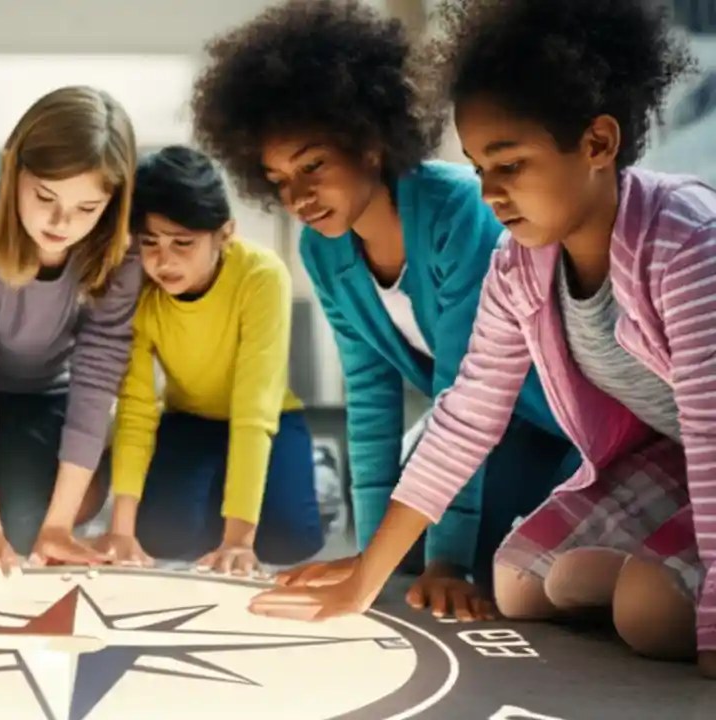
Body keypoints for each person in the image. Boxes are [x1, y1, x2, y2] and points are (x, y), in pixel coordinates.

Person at [253, 0, 716, 680]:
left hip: (699, 451)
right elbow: (465, 414)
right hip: (662, 455)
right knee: (518, 582)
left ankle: (666, 590)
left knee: (647, 617)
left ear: (597, 144)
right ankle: (657, 577)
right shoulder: (519, 261)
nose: (491, 193)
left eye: (511, 164)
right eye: (479, 168)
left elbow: (709, 433)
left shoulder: (686, 242)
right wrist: (365, 576)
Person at [189, 0, 577, 619]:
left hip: (560, 428)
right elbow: (370, 404)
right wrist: (374, 558)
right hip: (482, 433)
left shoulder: (457, 210)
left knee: (486, 566)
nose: (298, 196)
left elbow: (462, 393)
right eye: (279, 179)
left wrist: (448, 562)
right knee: (406, 549)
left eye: (313, 165)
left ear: (368, 143)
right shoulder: (322, 251)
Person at [0, 85, 141, 574]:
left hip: (51, 392)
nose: (60, 222)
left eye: (87, 208)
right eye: (45, 196)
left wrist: (59, 527)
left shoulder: (122, 248)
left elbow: (96, 382)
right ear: (13, 169)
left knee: (29, 522)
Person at [97, 145, 322, 574]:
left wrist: (238, 541)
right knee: (162, 537)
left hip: (270, 416)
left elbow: (254, 409)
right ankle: (217, 486)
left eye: (183, 243)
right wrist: (121, 531)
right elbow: (136, 409)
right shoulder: (138, 288)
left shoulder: (261, 275)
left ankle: (303, 473)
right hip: (190, 418)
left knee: (290, 540)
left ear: (225, 233)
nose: (163, 260)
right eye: (149, 242)